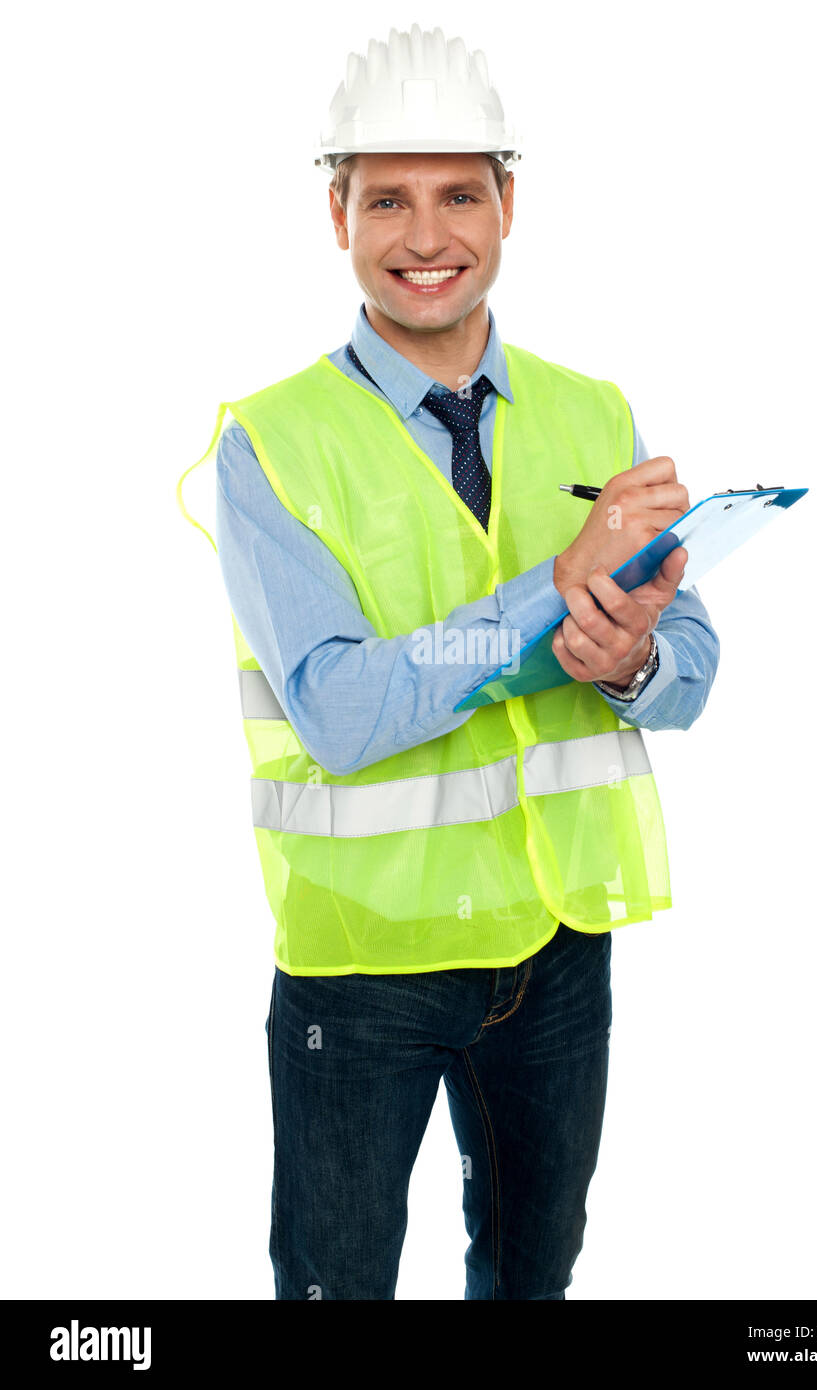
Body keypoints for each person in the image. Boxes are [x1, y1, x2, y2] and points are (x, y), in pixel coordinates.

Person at [179, 24, 719, 1300]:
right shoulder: (274, 442)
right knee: (337, 1285)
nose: (427, 236)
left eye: (458, 194)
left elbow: (693, 667)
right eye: (388, 199)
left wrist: (633, 656)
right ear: (337, 213)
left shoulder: (594, 410)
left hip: (556, 945)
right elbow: (339, 713)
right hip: (362, 961)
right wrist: (556, 590)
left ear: (508, 203)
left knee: (533, 1277)